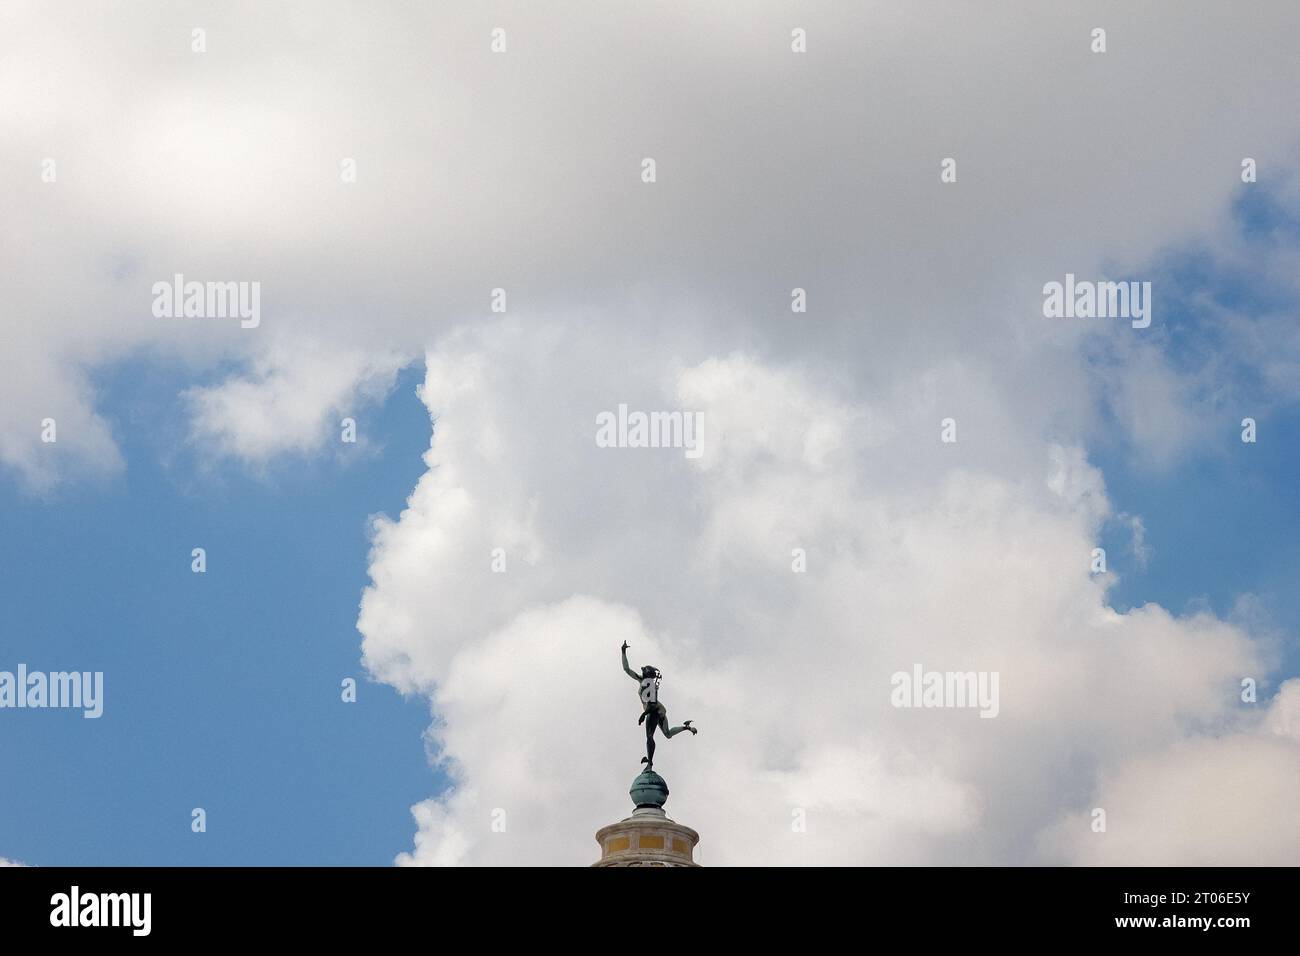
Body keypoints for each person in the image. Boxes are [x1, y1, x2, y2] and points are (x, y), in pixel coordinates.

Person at [621, 640, 696, 770]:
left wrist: (643, 715)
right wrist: (623, 652)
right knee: (667, 734)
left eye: (644, 670)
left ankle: (650, 762)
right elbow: (627, 669)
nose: (642, 670)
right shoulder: (643, 681)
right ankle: (686, 727)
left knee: (649, 736)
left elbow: (652, 705)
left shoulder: (647, 684)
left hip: (654, 711)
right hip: (658, 710)